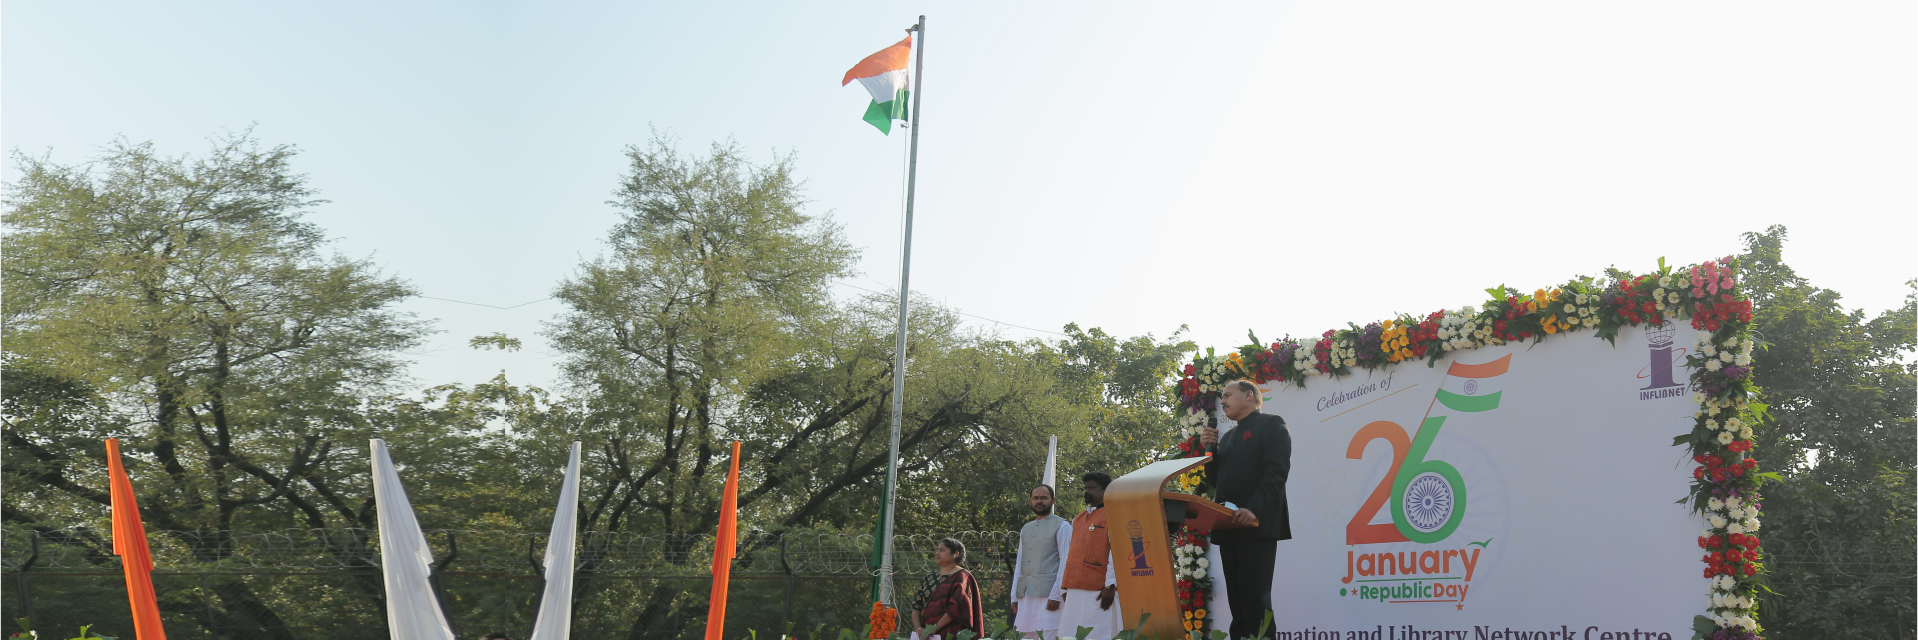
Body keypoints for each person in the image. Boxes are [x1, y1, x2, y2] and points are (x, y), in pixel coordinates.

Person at [1200, 379, 1292, 640]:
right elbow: (1216, 482)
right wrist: (1211, 451)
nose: (1223, 401)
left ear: (1249, 396)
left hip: (1255, 524)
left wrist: (1254, 509)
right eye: (1222, 397)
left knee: (1254, 597)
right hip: (1229, 525)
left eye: (1228, 395)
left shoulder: (1272, 424)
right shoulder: (1228, 437)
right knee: (1237, 599)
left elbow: (1276, 472)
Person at [1058, 471, 1121, 640]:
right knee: (1070, 634)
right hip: (1073, 588)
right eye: (1086, 487)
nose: (1087, 491)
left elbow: (1116, 552)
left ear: (1105, 491)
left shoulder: (1113, 515)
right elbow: (1068, 554)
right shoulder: (1078, 518)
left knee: (1097, 634)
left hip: (1098, 590)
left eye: (1092, 488)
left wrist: (1110, 585)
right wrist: (1063, 586)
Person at [1010, 484, 1070, 639]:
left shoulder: (1062, 525)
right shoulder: (1026, 528)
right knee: (1025, 635)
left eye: (1044, 498)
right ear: (1030, 501)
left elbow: (1066, 561)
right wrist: (1014, 596)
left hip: (1049, 595)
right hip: (1026, 594)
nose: (1039, 501)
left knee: (1050, 634)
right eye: (1036, 498)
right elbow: (1020, 563)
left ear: (1053, 500)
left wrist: (1056, 595)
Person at [912, 538, 983, 640]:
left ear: (955, 554)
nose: (937, 553)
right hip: (924, 635)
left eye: (942, 550)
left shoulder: (962, 577)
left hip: (952, 634)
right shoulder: (930, 577)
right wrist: (919, 628)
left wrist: (934, 628)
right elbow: (916, 605)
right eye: (937, 550)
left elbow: (956, 608)